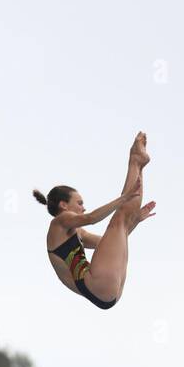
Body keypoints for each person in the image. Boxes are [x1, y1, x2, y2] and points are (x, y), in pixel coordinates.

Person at [36, 132, 156, 309]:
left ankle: (139, 165)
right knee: (120, 219)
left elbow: (111, 244)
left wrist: (135, 221)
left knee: (121, 226)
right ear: (63, 205)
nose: (83, 207)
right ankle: (136, 161)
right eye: (79, 203)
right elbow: (91, 218)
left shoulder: (77, 233)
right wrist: (123, 199)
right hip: (97, 284)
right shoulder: (59, 223)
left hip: (105, 291)